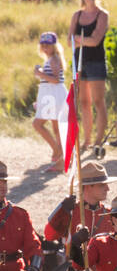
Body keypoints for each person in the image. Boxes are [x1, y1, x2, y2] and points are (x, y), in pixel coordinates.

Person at [68, 0, 109, 154]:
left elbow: (96, 40)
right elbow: (70, 40)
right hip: (79, 62)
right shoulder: (77, 15)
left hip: (96, 62)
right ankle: (87, 140)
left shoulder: (102, 15)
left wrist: (79, 39)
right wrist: (82, 40)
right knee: (84, 102)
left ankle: (99, 140)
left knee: (98, 102)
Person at [46, 161, 117, 249]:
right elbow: (49, 236)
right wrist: (62, 211)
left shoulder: (110, 214)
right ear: (88, 186)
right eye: (102, 185)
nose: (108, 189)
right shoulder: (69, 211)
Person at [0, 162, 43, 271]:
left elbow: (34, 246)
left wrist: (35, 268)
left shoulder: (20, 215)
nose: (2, 186)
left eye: (4, 181)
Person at [33, 32, 67, 172]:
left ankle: (57, 150)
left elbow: (55, 80)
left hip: (54, 95)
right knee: (55, 127)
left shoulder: (54, 60)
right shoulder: (51, 59)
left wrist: (39, 73)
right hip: (50, 96)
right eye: (43, 45)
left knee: (38, 124)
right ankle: (59, 155)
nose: (45, 48)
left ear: (54, 46)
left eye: (48, 45)